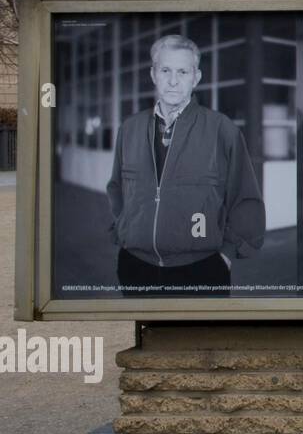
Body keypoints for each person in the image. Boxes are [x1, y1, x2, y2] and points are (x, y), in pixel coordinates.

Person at [107, 34, 265, 295]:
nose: (173, 80)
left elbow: (245, 198)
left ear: (197, 78)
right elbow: (117, 189)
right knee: (147, 334)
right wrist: (126, 233)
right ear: (153, 74)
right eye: (165, 70)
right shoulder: (130, 128)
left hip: (201, 268)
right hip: (135, 267)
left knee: (200, 337)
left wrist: (225, 254)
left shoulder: (221, 129)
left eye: (183, 71)